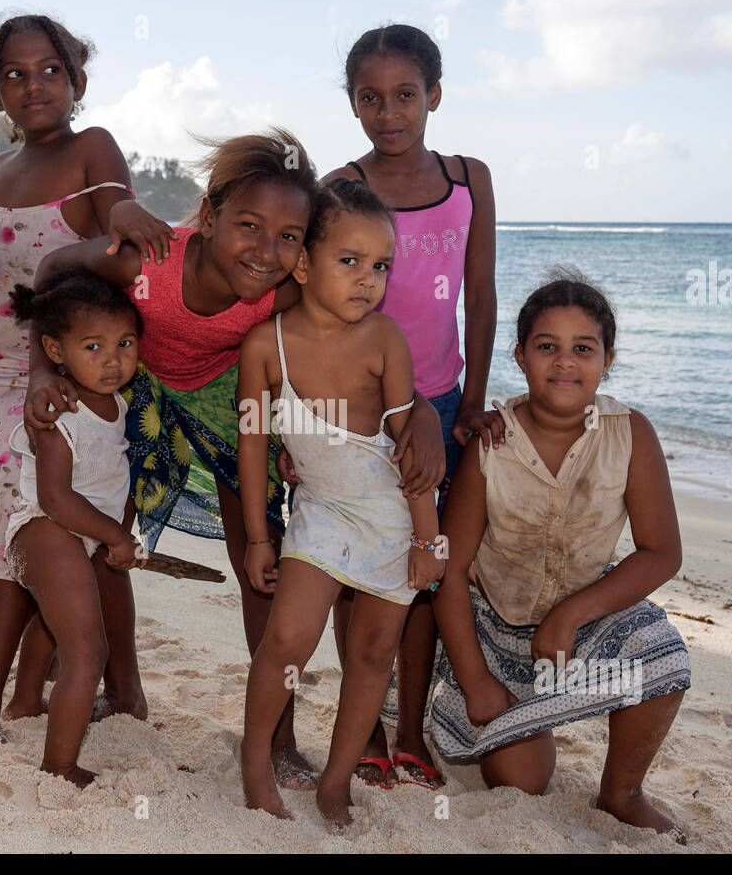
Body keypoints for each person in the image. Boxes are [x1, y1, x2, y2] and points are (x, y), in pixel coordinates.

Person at [29, 131, 448, 790]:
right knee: (112, 526)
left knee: (264, 558)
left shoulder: (279, 292)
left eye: (289, 236)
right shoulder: (147, 257)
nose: (266, 250)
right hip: (140, 384)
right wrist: (35, 373)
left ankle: (278, 740)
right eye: (248, 225)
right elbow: (53, 271)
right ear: (209, 213)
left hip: (228, 395)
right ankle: (124, 686)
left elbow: (351, 340)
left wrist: (418, 408)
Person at [0, 13, 171, 741]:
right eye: (14, 75)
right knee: (14, 528)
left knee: (41, 528)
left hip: (51, 380)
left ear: (77, 78)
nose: (34, 85)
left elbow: (113, 204)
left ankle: (7, 695)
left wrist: (131, 209)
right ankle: (17, 691)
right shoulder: (0, 172)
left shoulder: (92, 147)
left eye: (50, 69)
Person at [293, 23, 504, 788]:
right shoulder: (339, 190)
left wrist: (471, 400)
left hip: (440, 403)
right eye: (370, 98)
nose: (390, 112)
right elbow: (309, 297)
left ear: (434, 97)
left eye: (405, 95)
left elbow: (479, 299)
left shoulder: (468, 178)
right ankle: (367, 737)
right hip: (352, 411)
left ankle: (411, 731)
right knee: (358, 568)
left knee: (420, 570)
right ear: (352, 105)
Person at [432, 269, 692, 841]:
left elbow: (661, 553)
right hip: (494, 627)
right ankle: (525, 715)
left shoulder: (630, 434)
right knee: (518, 782)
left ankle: (621, 793)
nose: (565, 362)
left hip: (580, 622)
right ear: (521, 355)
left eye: (583, 349)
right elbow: (449, 571)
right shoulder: (493, 443)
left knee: (664, 657)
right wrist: (476, 681)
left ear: (608, 359)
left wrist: (572, 613)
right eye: (547, 347)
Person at [237, 177, 445, 828]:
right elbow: (250, 447)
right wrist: (258, 537)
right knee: (288, 639)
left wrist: (428, 542)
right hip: (319, 514)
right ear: (302, 264)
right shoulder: (263, 345)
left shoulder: (386, 340)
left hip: (390, 517)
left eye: (380, 265)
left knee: (373, 655)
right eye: (349, 261)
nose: (366, 279)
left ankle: (335, 780)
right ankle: (253, 760)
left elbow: (411, 457)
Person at [2, 267, 147, 787]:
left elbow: (110, 478)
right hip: (46, 527)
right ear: (55, 351)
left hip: (78, 531)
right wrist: (112, 535)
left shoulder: (120, 404)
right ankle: (60, 764)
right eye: (93, 346)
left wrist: (120, 528)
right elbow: (56, 496)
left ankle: (23, 703)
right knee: (87, 651)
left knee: (56, 622)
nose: (113, 359)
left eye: (125, 343)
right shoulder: (61, 411)